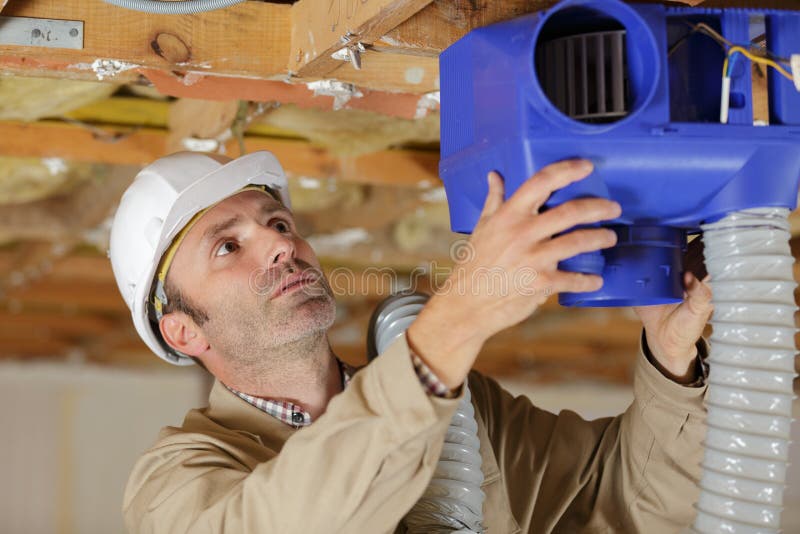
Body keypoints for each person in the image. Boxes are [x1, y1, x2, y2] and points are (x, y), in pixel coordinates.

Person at [111, 151, 712, 533]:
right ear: (184, 330)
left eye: (279, 224)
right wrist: (452, 326)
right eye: (227, 246)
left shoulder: (456, 409)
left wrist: (670, 362)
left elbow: (620, 504)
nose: (280, 246)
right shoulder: (177, 482)